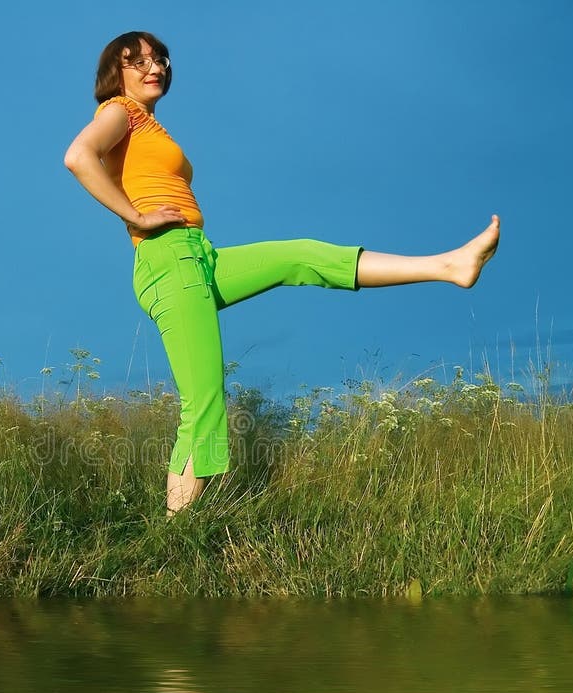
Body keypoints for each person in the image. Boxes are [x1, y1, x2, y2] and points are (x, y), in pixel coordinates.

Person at [64, 31, 500, 518]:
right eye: (138, 60)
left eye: (160, 58)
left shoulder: (148, 124)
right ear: (114, 72)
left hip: (197, 256)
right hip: (168, 259)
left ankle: (448, 265)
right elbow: (78, 157)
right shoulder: (119, 111)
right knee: (204, 402)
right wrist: (137, 217)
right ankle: (173, 538)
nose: (155, 66)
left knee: (301, 255)